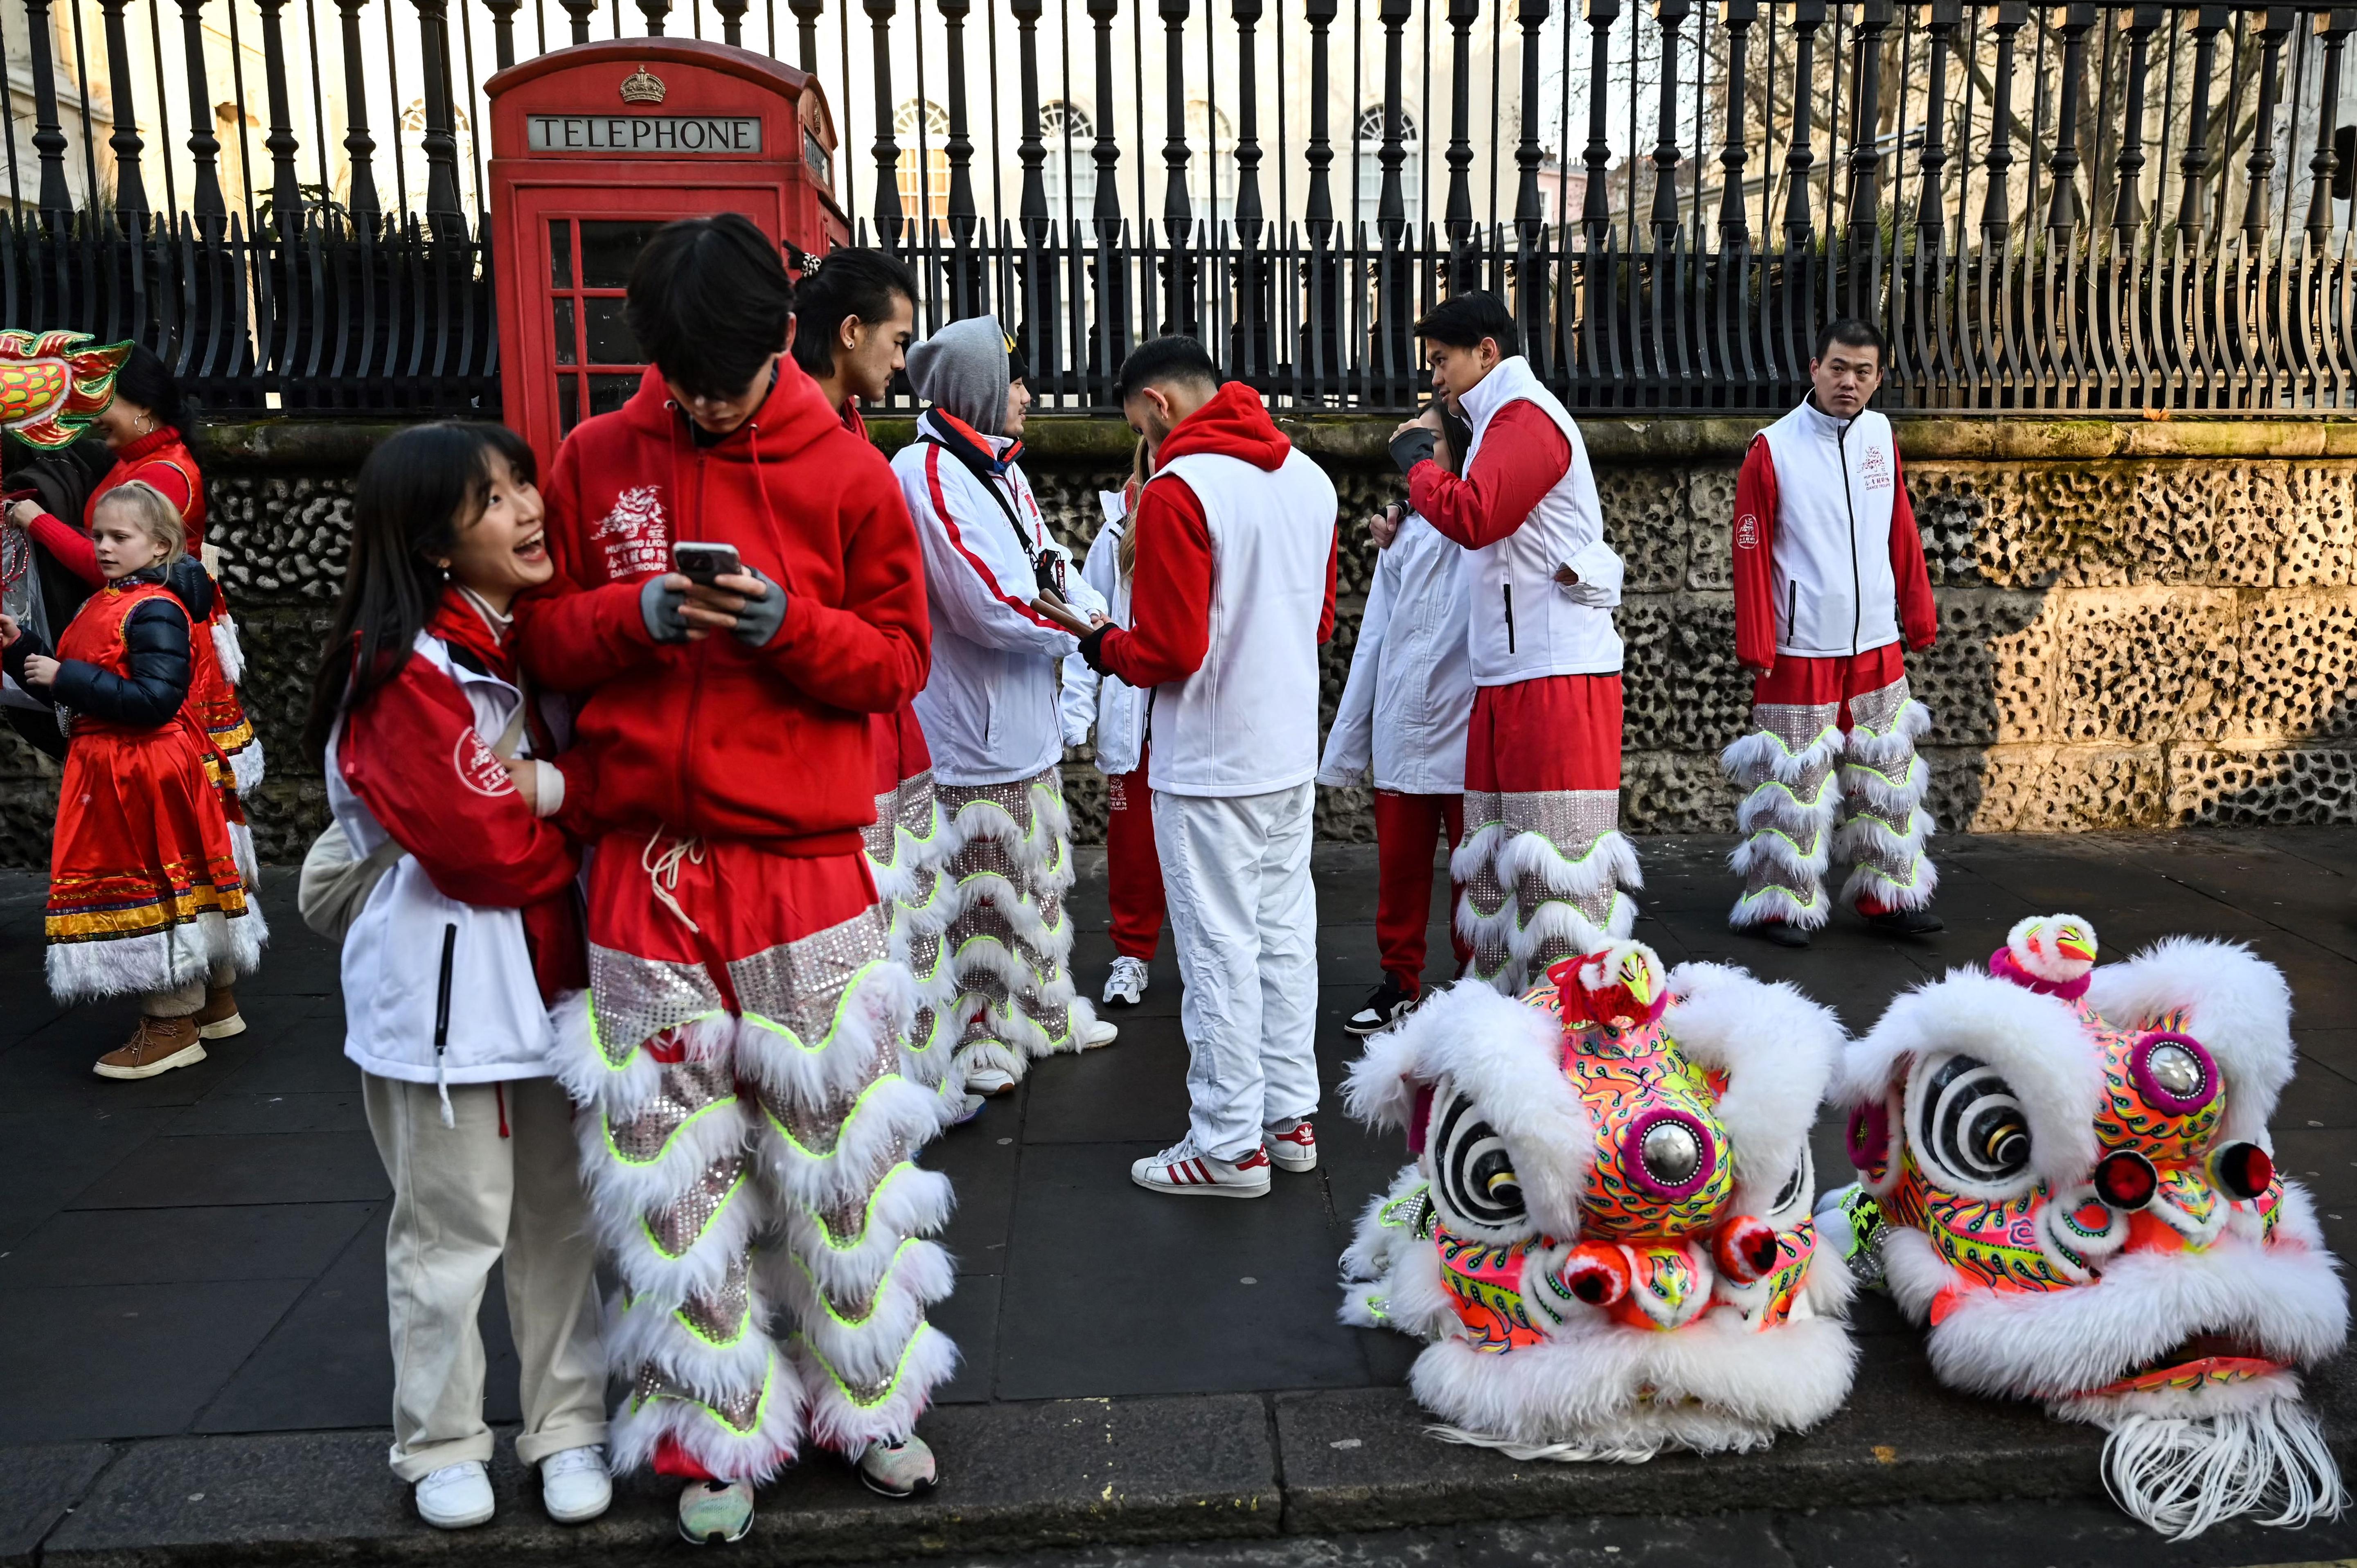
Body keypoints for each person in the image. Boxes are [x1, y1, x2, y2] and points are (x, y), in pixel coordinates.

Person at [514, 214, 954, 1545]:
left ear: (785, 340)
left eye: (730, 378)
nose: (706, 404)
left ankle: (871, 1402)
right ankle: (715, 1427)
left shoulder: (851, 474)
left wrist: (786, 629)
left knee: (841, 1166)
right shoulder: (596, 459)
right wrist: (632, 617)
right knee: (672, 1175)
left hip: (805, 862)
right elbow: (540, 633)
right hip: (649, 864)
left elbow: (895, 662)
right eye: (685, 381)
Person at [301, 421, 611, 1533]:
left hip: (551, 986)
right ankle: (438, 1440)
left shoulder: (531, 643)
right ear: (435, 541)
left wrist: (547, 793)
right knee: (449, 1239)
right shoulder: (400, 672)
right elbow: (477, 849)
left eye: (525, 483)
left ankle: (567, 1427)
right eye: (495, 500)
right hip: (443, 1004)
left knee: (562, 1227)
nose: (531, 508)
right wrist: (570, 803)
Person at [1076, 336, 1337, 1199]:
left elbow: (1169, 649)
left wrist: (1100, 643)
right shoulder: (1309, 476)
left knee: (1220, 949)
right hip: (1285, 746)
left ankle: (1227, 1143)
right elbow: (1321, 618)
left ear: (1154, 404)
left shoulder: (1181, 489)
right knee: (1282, 935)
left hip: (1209, 758)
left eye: (1136, 425)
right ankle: (1289, 1118)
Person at [892, 314, 1116, 1104]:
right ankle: (982, 1033)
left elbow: (1047, 558)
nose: (1026, 395)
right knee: (980, 890)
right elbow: (988, 601)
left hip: (1025, 723)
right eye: (1015, 381)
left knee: (1038, 883)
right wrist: (1087, 634)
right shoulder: (925, 472)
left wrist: (1096, 618)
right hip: (970, 731)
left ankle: (1046, 1011)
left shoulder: (1002, 469)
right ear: (979, 390)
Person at [1389, 289, 1637, 997]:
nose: (1434, 376)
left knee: (1559, 862)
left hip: (1554, 673)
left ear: (1487, 353)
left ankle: (1581, 1022)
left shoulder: (1524, 416)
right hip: (1512, 672)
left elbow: (1477, 517)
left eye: (1442, 360)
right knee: (1501, 859)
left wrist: (1418, 469)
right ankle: (1511, 1015)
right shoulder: (1501, 417)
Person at [0, 480, 263, 1077]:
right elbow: (81, 675)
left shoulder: (154, 608)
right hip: (128, 765)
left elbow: (155, 700)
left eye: (120, 537)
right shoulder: (117, 600)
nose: (104, 547)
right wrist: (23, 650)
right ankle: (214, 1004)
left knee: (155, 887)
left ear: (161, 544)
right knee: (188, 882)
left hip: (140, 768)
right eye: (98, 536)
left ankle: (171, 1022)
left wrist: (61, 676)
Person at [791, 248, 959, 1109]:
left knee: (892, 926)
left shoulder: (851, 432)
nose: (904, 362)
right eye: (896, 341)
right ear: (849, 332)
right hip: (832, 743)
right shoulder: (801, 448)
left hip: (886, 724)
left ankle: (896, 1082)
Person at [1723, 318, 1940, 947]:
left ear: (1879, 377)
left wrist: (1916, 613)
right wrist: (1758, 641)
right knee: (1793, 781)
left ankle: (1889, 894)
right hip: (1800, 643)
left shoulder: (1880, 434)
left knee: (1888, 772)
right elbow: (1751, 545)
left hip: (1875, 639)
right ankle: (1778, 904)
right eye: (1839, 368)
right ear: (1814, 368)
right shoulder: (1773, 448)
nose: (1850, 382)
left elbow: (1900, 522)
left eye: (1864, 371)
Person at [1316, 413, 1475, 1036]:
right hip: (1406, 724)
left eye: (1429, 436)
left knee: (1474, 871)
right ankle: (1399, 982)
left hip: (1465, 721)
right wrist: (1352, 743)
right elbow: (1376, 636)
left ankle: (1474, 982)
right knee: (1400, 870)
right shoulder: (1403, 534)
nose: (1417, 446)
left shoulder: (1483, 524)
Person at [1060, 439, 1163, 1009]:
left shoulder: (1210, 513)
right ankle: (1132, 953)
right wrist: (1077, 712)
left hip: (1188, 717)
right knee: (1132, 847)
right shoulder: (1114, 530)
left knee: (1198, 850)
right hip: (1132, 718)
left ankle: (1211, 961)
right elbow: (1088, 627)